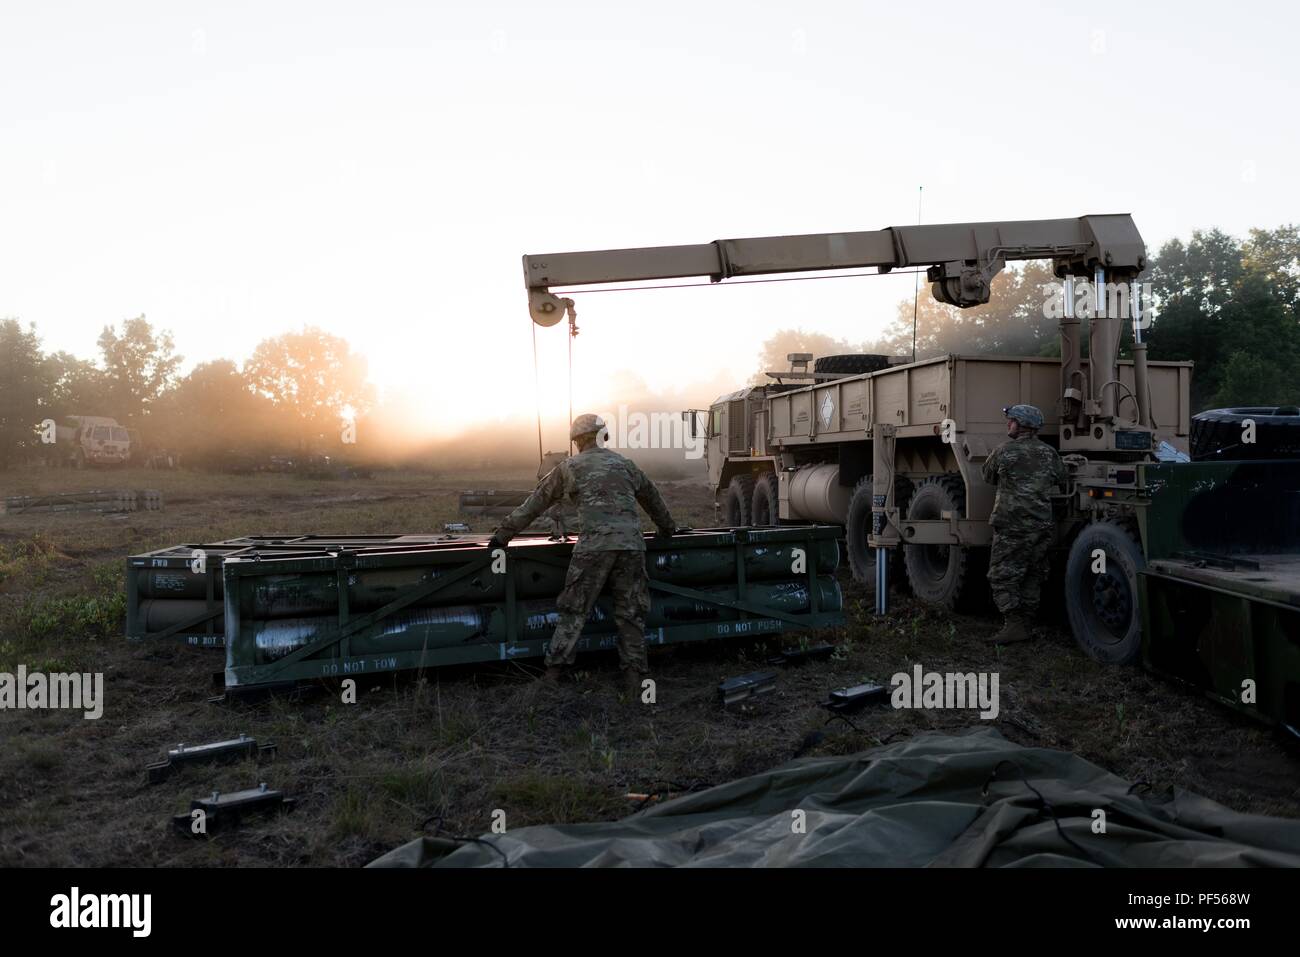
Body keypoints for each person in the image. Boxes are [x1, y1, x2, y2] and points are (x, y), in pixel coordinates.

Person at [488, 414, 679, 692]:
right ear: (603, 436)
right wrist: (667, 530)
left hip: (594, 547)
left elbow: (534, 504)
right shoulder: (625, 465)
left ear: (576, 441)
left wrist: (502, 536)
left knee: (574, 610)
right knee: (631, 613)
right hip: (631, 547)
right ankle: (634, 678)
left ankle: (553, 675)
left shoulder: (569, 468)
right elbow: (654, 500)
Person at [980, 404, 1068, 644]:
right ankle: (1027, 624)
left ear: (1020, 424)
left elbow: (987, 477)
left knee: (1000, 575)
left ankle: (1014, 624)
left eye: (1011, 420)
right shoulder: (1049, 453)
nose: (1008, 424)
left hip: (1012, 525)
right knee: (1033, 574)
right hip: (1041, 526)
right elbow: (1062, 478)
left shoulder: (1004, 451)